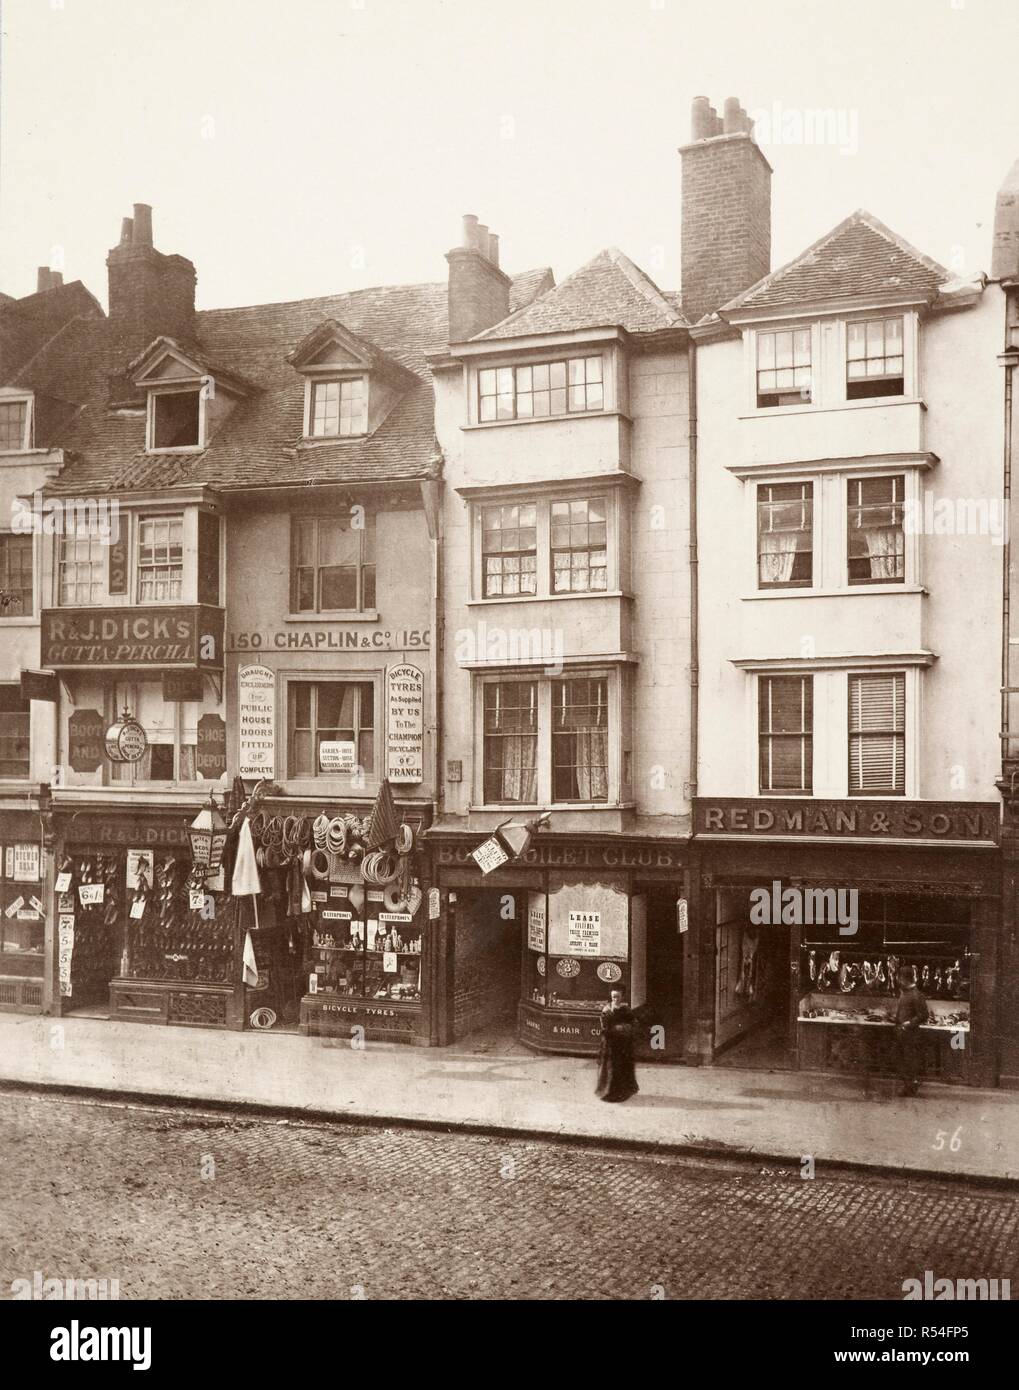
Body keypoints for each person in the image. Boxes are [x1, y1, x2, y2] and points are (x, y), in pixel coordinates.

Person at [595, 988, 639, 1103]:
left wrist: (625, 1028)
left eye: (617, 997)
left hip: (623, 1043)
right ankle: (609, 1091)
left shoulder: (626, 1009)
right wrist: (615, 1029)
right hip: (610, 1043)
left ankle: (623, 1091)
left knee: (622, 1066)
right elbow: (604, 1026)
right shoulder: (607, 1009)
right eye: (613, 996)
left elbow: (634, 1023)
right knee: (611, 1067)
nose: (615, 999)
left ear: (622, 997)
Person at [894, 965, 928, 1097]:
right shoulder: (905, 993)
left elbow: (923, 1015)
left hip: (910, 1034)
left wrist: (909, 1023)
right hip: (901, 1032)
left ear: (903, 978)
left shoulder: (916, 995)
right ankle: (909, 1085)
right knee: (900, 1059)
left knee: (909, 1060)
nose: (898, 980)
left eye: (899, 977)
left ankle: (910, 1086)